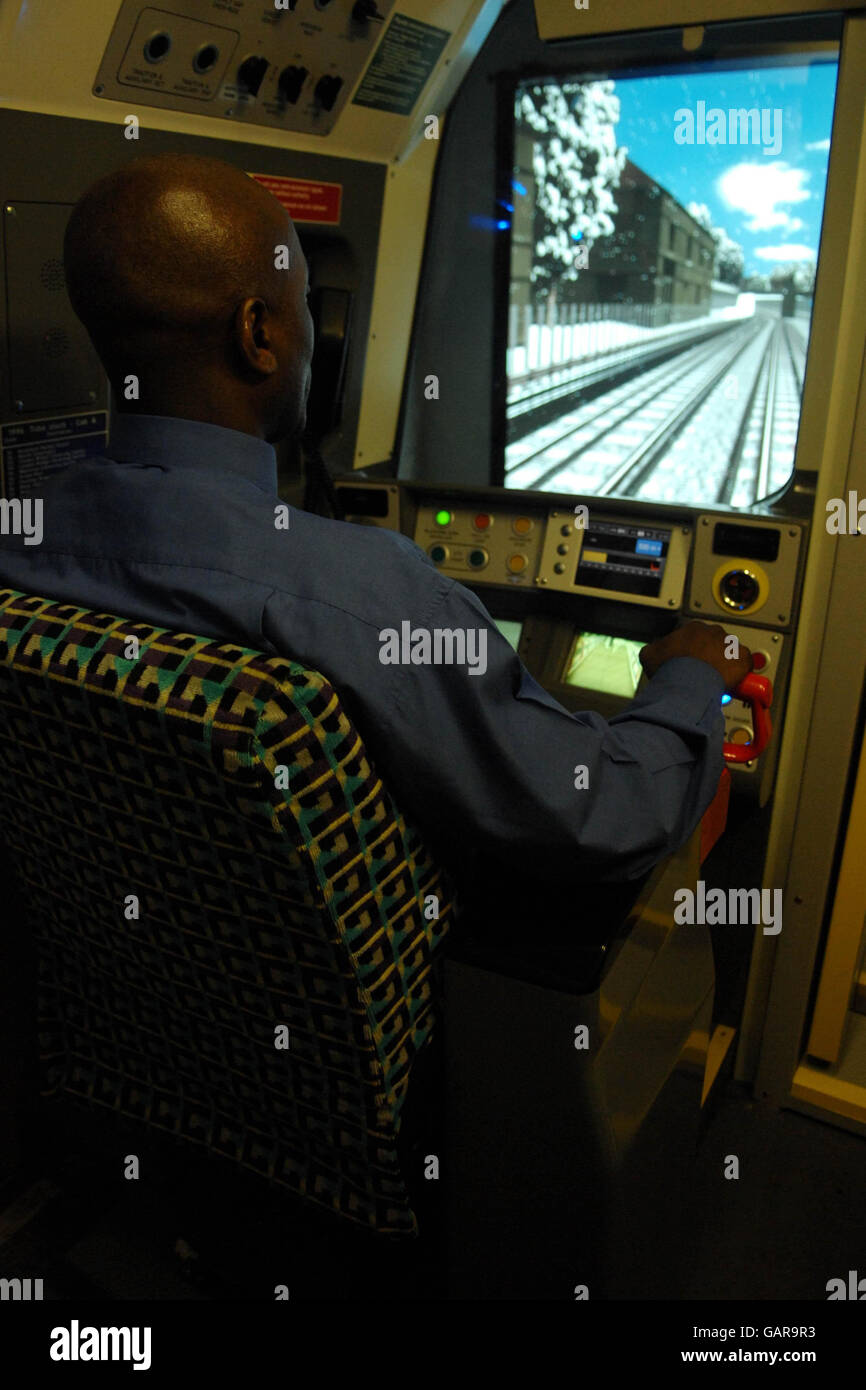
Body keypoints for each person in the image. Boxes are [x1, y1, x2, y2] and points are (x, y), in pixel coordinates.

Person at [0, 153, 751, 921]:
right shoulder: (372, 601)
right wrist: (690, 678)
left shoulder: (21, 544)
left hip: (136, 991)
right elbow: (607, 814)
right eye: (302, 308)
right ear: (259, 333)